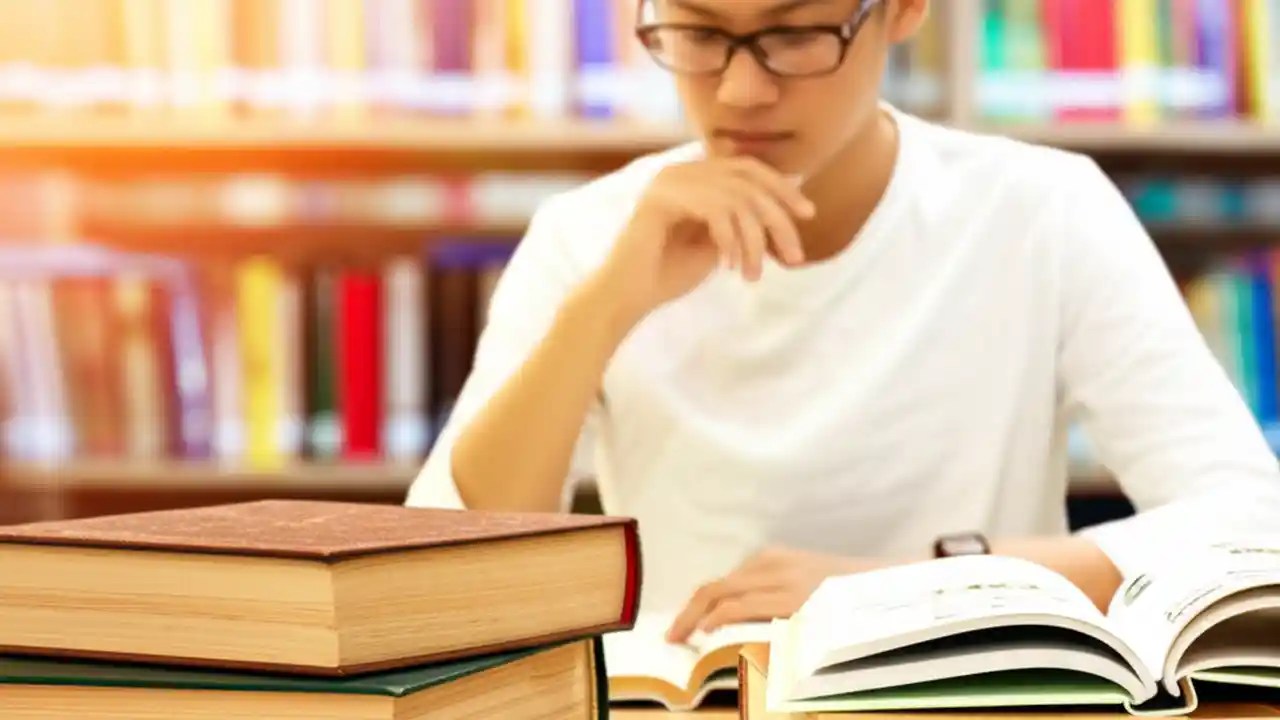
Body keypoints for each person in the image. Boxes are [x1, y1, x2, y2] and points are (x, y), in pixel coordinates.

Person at [406, 0, 1280, 646]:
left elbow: (1253, 528)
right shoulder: (590, 234)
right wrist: (604, 309)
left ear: (903, 11)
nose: (741, 89)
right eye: (699, 35)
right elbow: (445, 568)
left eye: (794, 35)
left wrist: (921, 589)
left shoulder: (1041, 210)